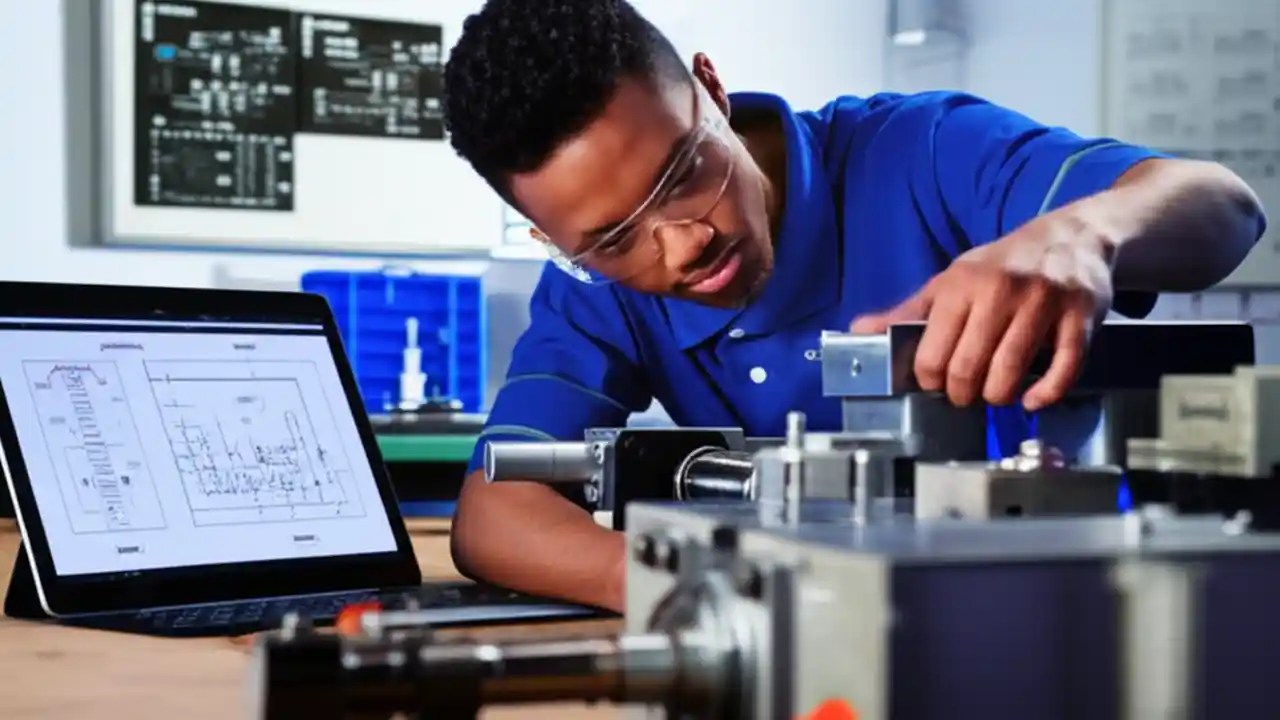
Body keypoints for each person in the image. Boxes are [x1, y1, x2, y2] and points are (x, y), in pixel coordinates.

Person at [440, 0, 1265, 613]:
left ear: (710, 90)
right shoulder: (597, 292)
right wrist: (703, 593)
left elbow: (1224, 208)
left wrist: (1086, 232)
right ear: (558, 245)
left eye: (682, 172)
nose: (680, 244)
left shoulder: (920, 152)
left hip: (1058, 597)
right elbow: (493, 510)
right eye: (616, 237)